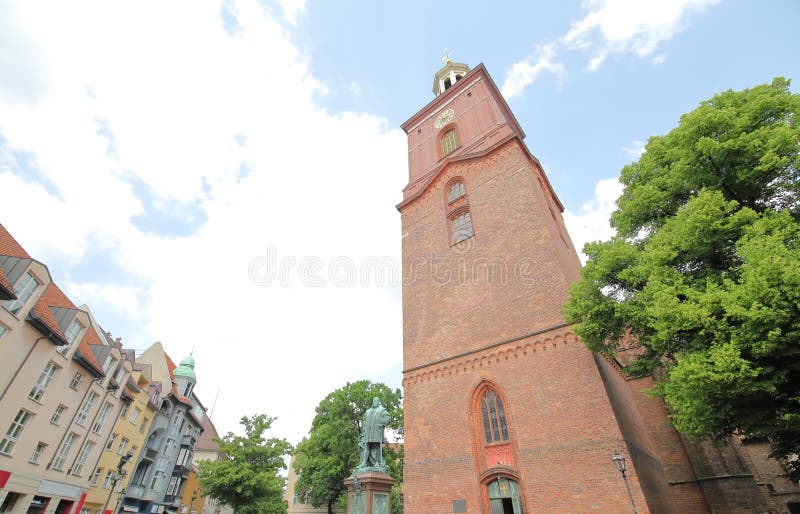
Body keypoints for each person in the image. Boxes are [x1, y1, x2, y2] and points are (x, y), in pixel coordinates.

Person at [358, 397, 390, 469]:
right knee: (367, 446)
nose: (373, 402)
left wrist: (381, 422)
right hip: (368, 431)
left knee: (376, 447)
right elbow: (364, 421)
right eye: (373, 401)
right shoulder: (368, 411)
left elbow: (387, 418)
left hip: (376, 431)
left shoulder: (381, 410)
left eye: (375, 401)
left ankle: (376, 462)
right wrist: (363, 430)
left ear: (378, 402)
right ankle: (364, 462)